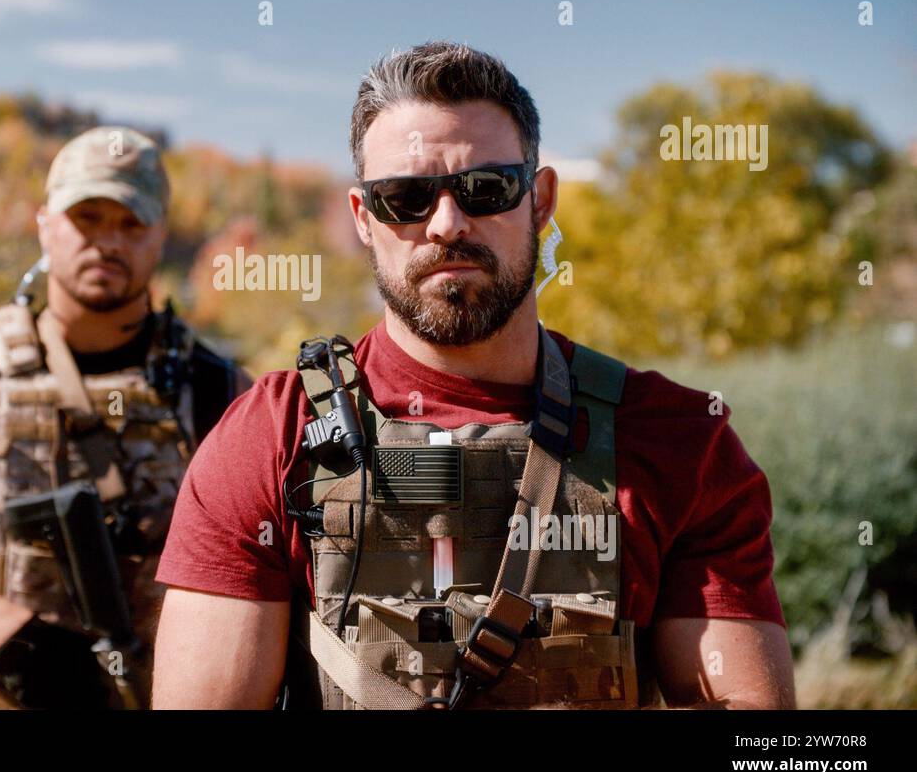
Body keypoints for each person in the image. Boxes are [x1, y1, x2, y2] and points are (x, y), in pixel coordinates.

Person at [151, 42, 796, 710]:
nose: (448, 224)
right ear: (363, 219)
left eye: (486, 189)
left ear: (539, 200)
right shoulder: (270, 436)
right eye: (404, 197)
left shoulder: (679, 441)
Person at [0, 126, 248, 709]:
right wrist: (13, 639)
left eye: (131, 222)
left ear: (161, 236)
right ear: (44, 224)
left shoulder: (220, 391)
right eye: (87, 218)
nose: (107, 241)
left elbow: (256, 578)